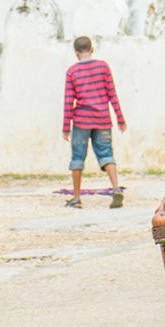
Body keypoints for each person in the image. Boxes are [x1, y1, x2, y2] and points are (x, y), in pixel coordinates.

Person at [62, 35, 127, 209]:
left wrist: (66, 128)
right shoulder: (103, 67)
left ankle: (76, 198)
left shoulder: (72, 71)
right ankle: (116, 188)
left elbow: (68, 101)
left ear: (76, 53)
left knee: (77, 158)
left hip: (81, 121)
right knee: (106, 154)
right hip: (102, 119)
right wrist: (120, 118)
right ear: (92, 49)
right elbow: (112, 94)